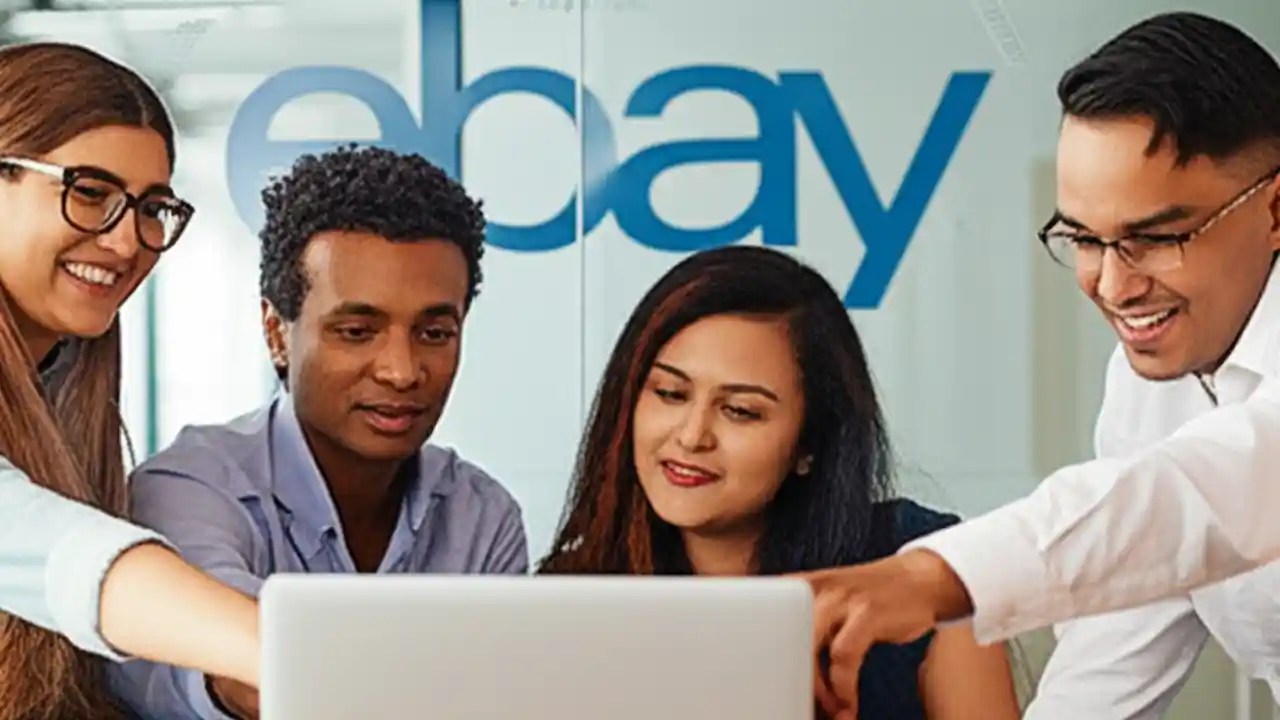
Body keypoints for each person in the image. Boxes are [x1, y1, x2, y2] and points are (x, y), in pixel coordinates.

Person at [800, 12, 1280, 720]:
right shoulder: (1149, 385)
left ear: (1274, 210)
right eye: (1084, 238)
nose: (1114, 288)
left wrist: (933, 576)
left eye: (1155, 238)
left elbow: (1206, 493)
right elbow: (1115, 649)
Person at [110, 144, 529, 720]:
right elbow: (232, 674)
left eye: (434, 333)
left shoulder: (481, 514)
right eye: (357, 331)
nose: (402, 371)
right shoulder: (193, 488)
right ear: (276, 332)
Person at [538, 246, 1020, 719]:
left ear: (810, 444)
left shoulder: (920, 570)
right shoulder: (572, 591)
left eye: (740, 411)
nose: (691, 436)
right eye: (670, 393)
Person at [0, 42, 259, 720]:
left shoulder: (60, 393)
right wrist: (287, 652)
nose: (125, 241)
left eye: (150, 208)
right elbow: (54, 550)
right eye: (90, 193)